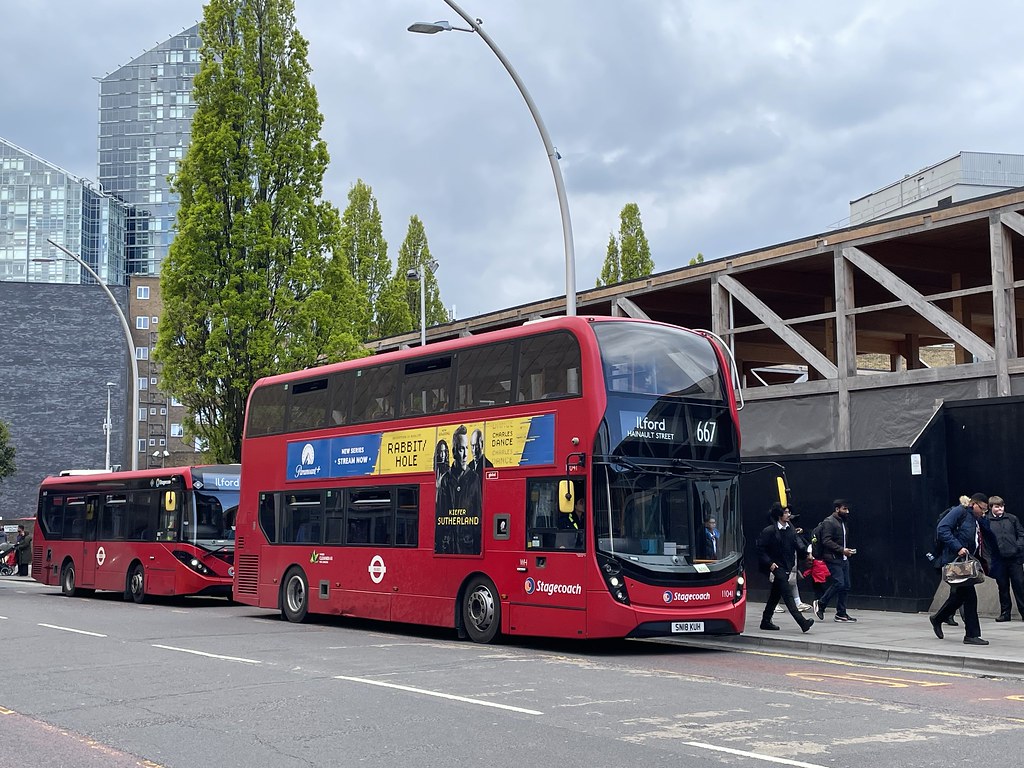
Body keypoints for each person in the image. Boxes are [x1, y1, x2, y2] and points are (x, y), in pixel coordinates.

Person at [929, 493, 996, 645]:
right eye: (983, 509)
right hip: (955, 562)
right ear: (974, 504)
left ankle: (938, 618)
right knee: (970, 597)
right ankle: (971, 635)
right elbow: (942, 529)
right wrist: (958, 547)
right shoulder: (960, 511)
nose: (984, 512)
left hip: (964, 564)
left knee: (959, 597)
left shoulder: (976, 518)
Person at [756, 503, 814, 633]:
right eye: (786, 512)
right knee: (788, 595)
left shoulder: (790, 530)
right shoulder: (769, 531)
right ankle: (803, 622)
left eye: (789, 512)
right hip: (777, 567)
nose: (788, 515)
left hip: (787, 566)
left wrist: (807, 554)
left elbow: (798, 546)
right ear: (779, 515)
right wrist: (770, 563)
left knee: (775, 595)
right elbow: (760, 549)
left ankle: (765, 621)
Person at [435, 425, 482, 555]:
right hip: (448, 549)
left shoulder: (474, 478)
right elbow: (439, 517)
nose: (466, 454)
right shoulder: (444, 480)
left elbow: (478, 518)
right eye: (462, 449)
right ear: (454, 451)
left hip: (467, 548)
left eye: (467, 448)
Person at [813, 499, 858, 623]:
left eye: (847, 509)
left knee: (846, 586)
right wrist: (842, 550)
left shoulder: (843, 522)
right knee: (839, 583)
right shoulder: (829, 522)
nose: (847, 511)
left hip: (843, 558)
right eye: (844, 509)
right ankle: (820, 604)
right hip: (832, 558)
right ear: (837, 509)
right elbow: (826, 541)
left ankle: (841, 614)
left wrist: (845, 551)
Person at [985, 495, 1024, 622]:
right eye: (997, 506)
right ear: (991, 507)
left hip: (1014, 558)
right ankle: (1005, 613)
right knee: (1002, 586)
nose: (1000, 508)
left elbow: (1021, 534)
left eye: (1002, 506)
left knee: (1019, 585)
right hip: (998, 560)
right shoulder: (986, 521)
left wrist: (1018, 547)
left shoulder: (1012, 518)